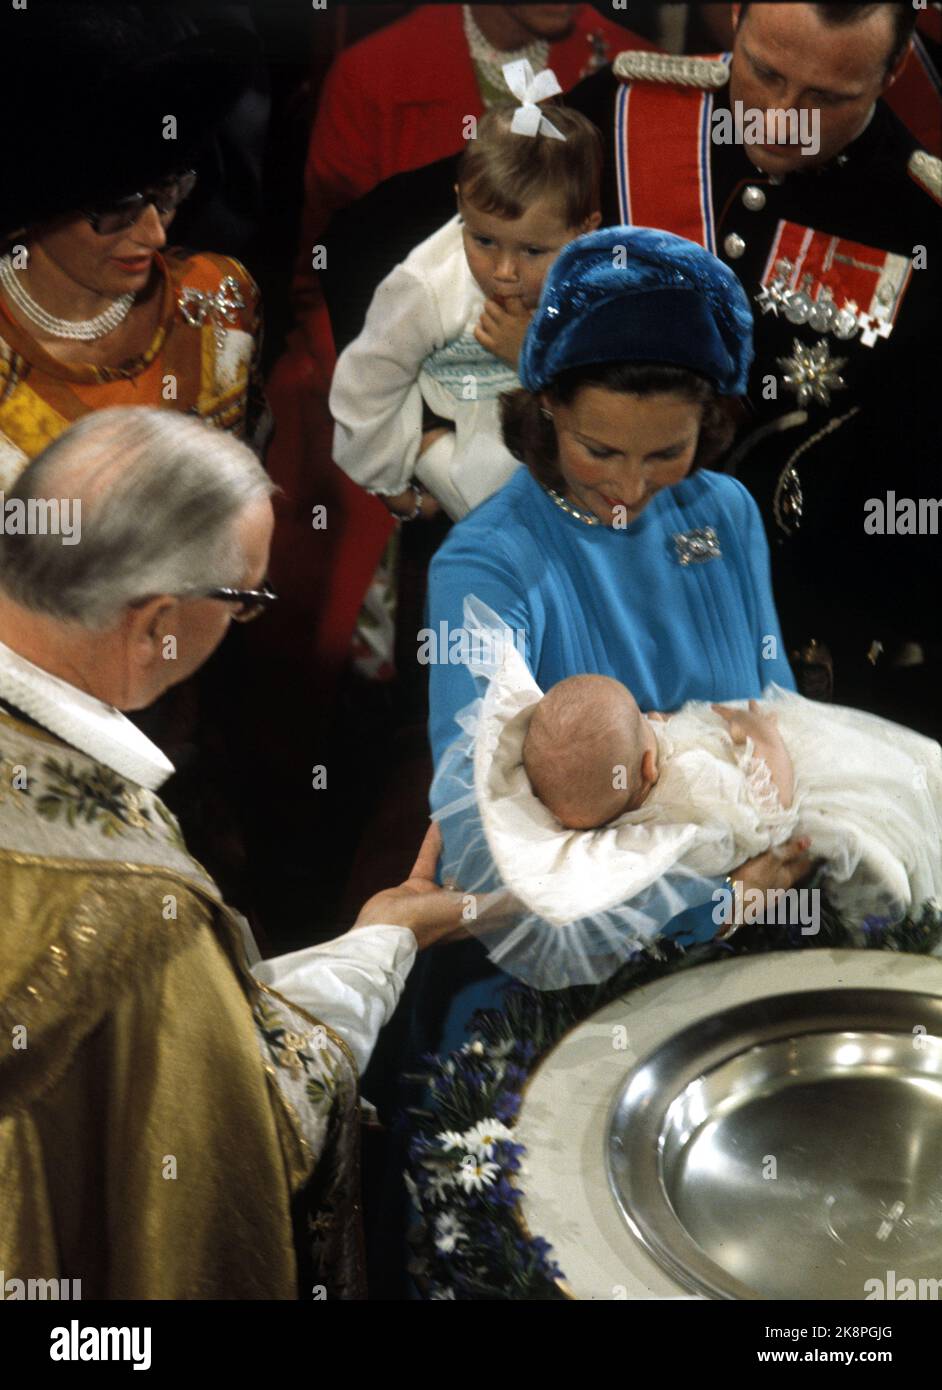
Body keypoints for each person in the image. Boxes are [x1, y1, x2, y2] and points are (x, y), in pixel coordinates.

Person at [323, 3, 942, 739]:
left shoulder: (919, 222)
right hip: (546, 608)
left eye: (826, 98)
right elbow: (375, 246)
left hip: (765, 667)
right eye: (765, 73)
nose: (782, 118)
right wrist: (427, 449)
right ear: (733, 22)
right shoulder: (626, 116)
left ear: (892, 70)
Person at [0, 408, 471, 1300]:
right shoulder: (137, 901)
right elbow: (248, 1129)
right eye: (247, 598)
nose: (250, 616)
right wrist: (382, 942)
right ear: (154, 625)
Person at [433, 624, 942, 986]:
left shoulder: (618, 804)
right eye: (645, 718)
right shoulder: (692, 789)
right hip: (807, 778)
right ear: (651, 769)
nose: (655, 714)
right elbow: (771, 810)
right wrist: (763, 739)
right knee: (901, 776)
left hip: (716, 753)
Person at [330, 79, 603, 522]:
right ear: (461, 204)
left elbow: (612, 387)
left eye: (533, 251)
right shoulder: (429, 286)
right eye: (483, 240)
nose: (504, 271)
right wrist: (388, 474)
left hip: (583, 462)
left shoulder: (599, 281)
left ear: (585, 231)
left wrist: (530, 355)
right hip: (480, 466)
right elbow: (368, 379)